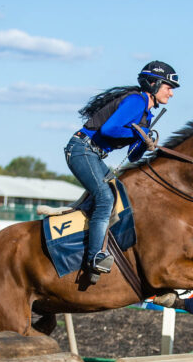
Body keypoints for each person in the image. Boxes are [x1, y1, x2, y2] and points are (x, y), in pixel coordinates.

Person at [66, 60, 179, 277]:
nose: (171, 93)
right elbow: (109, 129)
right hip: (81, 150)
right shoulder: (136, 101)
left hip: (93, 154)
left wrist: (144, 145)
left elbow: (132, 154)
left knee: (120, 194)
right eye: (168, 87)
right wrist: (138, 134)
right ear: (154, 84)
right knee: (106, 199)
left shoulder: (147, 114)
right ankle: (94, 257)